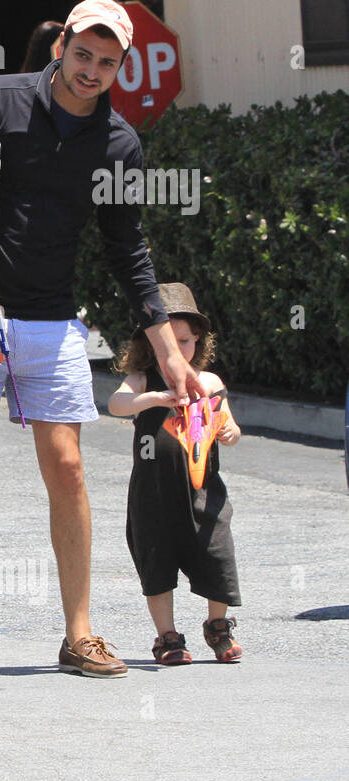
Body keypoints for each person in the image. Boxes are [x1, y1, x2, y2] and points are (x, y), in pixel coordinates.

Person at [0, 0, 207, 678]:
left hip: (49, 317)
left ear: (119, 69)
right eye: (84, 54)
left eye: (107, 63)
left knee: (69, 467)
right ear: (63, 47)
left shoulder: (117, 144)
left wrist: (169, 354)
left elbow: (127, 250)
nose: (91, 71)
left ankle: (79, 633)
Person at [109, 282, 242, 665]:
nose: (178, 349)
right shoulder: (143, 380)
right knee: (157, 562)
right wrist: (151, 399)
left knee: (217, 555)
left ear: (198, 341)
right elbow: (117, 403)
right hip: (153, 494)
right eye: (167, 342)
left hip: (204, 492)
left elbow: (227, 426)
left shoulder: (209, 382)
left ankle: (218, 625)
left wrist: (230, 432)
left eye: (185, 341)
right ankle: (167, 636)